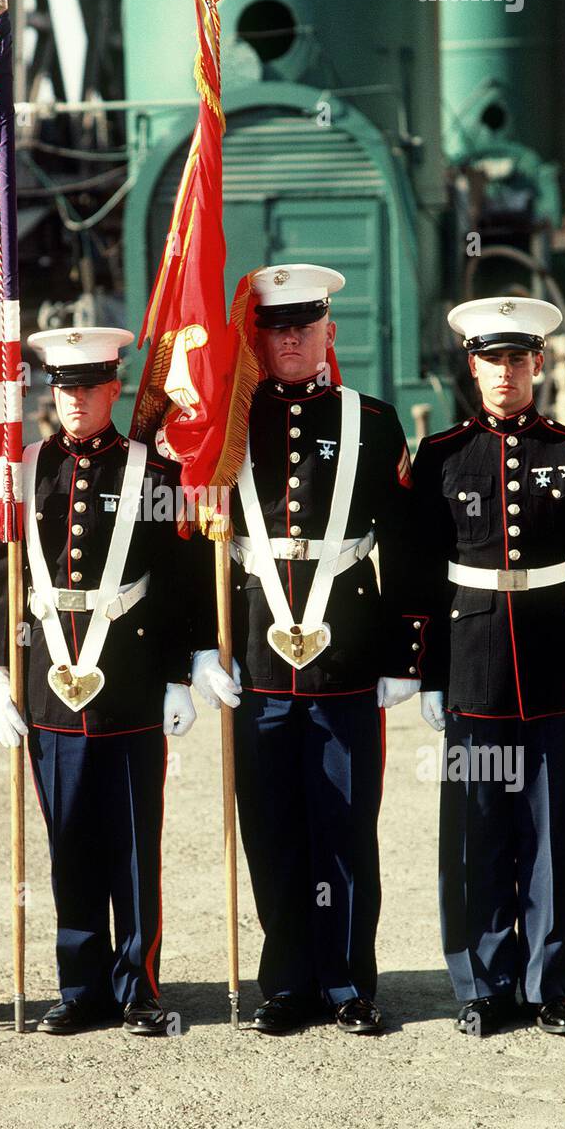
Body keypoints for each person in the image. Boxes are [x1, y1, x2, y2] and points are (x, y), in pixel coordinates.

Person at [191, 264, 422, 1035]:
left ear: (329, 330)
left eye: (304, 325)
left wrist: (403, 655)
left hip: (348, 656)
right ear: (257, 338)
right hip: (255, 657)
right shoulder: (223, 427)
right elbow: (194, 547)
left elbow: (406, 547)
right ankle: (285, 983)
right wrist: (199, 649)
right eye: (276, 328)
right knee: (271, 826)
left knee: (346, 822)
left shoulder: (376, 421)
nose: (290, 339)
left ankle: (349, 982)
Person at [412, 296, 565, 1035]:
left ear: (537, 363)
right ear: (469, 366)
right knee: (476, 832)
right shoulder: (439, 457)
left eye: (515, 358)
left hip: (548, 660)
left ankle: (547, 986)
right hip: (470, 664)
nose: (502, 373)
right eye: (488, 359)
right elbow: (416, 572)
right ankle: (480, 984)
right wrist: (424, 672)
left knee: (545, 831)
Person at [0, 327, 197, 1037]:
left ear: (113, 389)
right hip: (49, 682)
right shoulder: (21, 470)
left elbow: (175, 583)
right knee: (68, 842)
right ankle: (80, 987)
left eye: (86, 388)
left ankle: (138, 986)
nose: (73, 401)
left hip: (130, 682)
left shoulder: (154, 475)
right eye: (62, 388)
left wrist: (178, 675)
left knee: (134, 843)